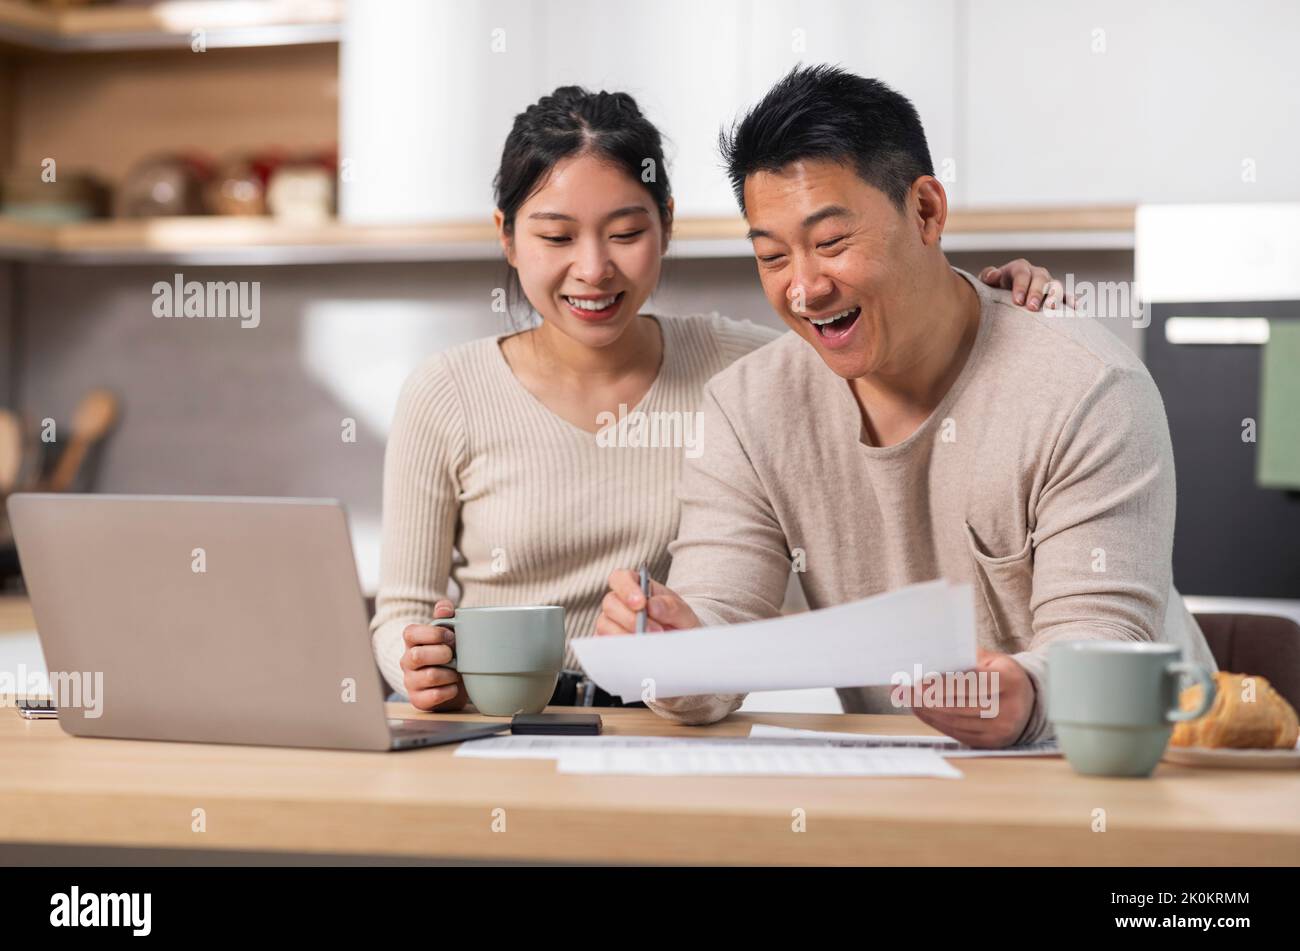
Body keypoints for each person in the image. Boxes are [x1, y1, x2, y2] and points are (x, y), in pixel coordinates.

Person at [372, 83, 1065, 713]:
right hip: (505, 719)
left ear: (666, 225)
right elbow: (402, 607)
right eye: (556, 236)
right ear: (507, 237)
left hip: (668, 720)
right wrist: (416, 664)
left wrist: (996, 307)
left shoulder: (746, 369)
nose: (592, 269)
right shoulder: (447, 393)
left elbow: (881, 340)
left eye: (626, 233)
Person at [596, 65, 1213, 747]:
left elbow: (1104, 647)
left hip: (1129, 770)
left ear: (925, 211)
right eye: (772, 256)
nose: (803, 289)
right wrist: (675, 650)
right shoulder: (748, 408)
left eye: (831, 243)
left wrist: (1029, 695)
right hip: (911, 784)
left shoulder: (1085, 389)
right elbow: (716, 623)